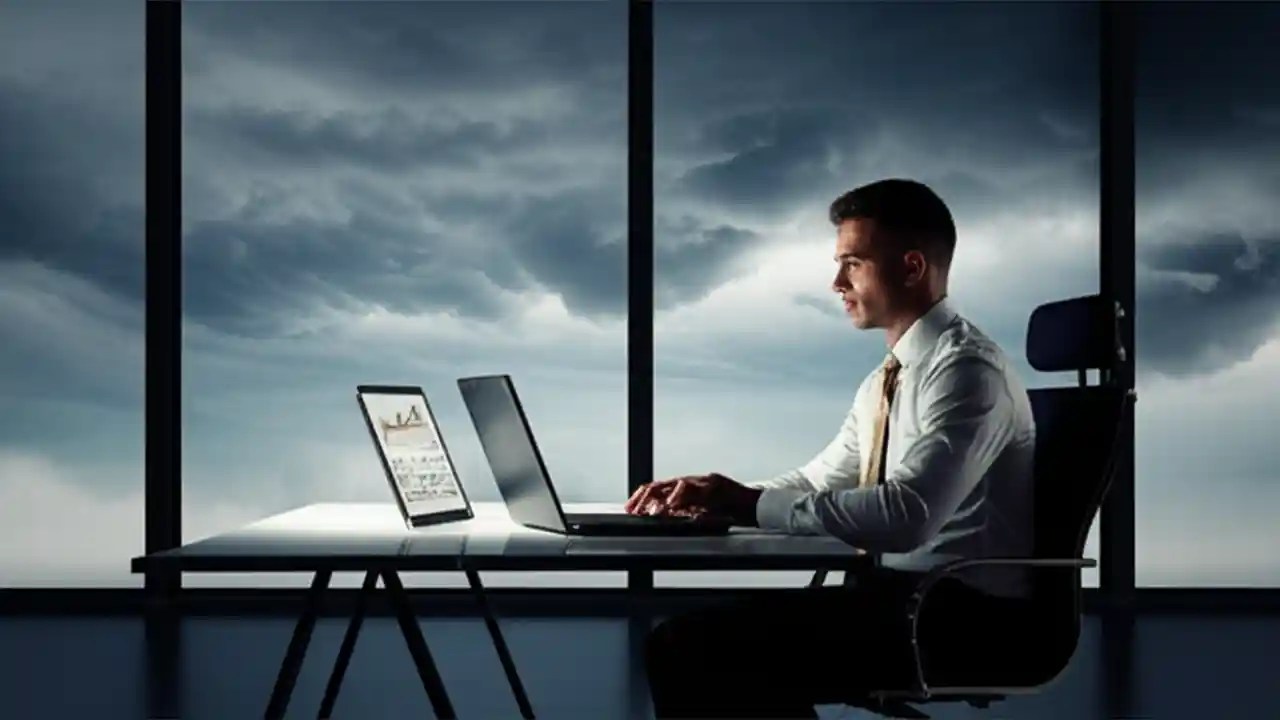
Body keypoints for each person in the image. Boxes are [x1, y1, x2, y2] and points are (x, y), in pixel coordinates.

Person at [626, 178, 1038, 718]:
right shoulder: (885, 382)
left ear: (912, 268)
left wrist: (745, 505)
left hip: (960, 617)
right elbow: (820, 480)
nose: (835, 282)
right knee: (702, 643)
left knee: (693, 648)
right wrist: (714, 497)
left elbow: (909, 515)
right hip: (900, 599)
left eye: (853, 264)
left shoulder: (967, 372)